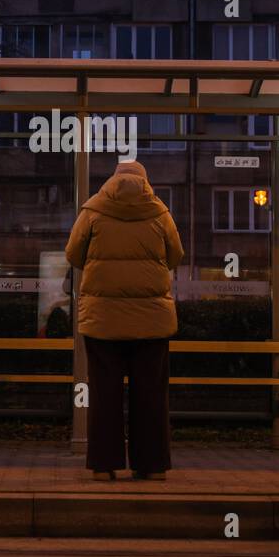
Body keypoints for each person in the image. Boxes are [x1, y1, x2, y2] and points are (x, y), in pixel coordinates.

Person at [65, 159, 183, 481]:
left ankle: (104, 466)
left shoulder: (93, 211)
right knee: (151, 395)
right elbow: (175, 256)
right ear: (146, 182)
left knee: (104, 393)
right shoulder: (160, 213)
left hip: (103, 321)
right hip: (152, 323)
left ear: (111, 181)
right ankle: (152, 466)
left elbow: (74, 254)